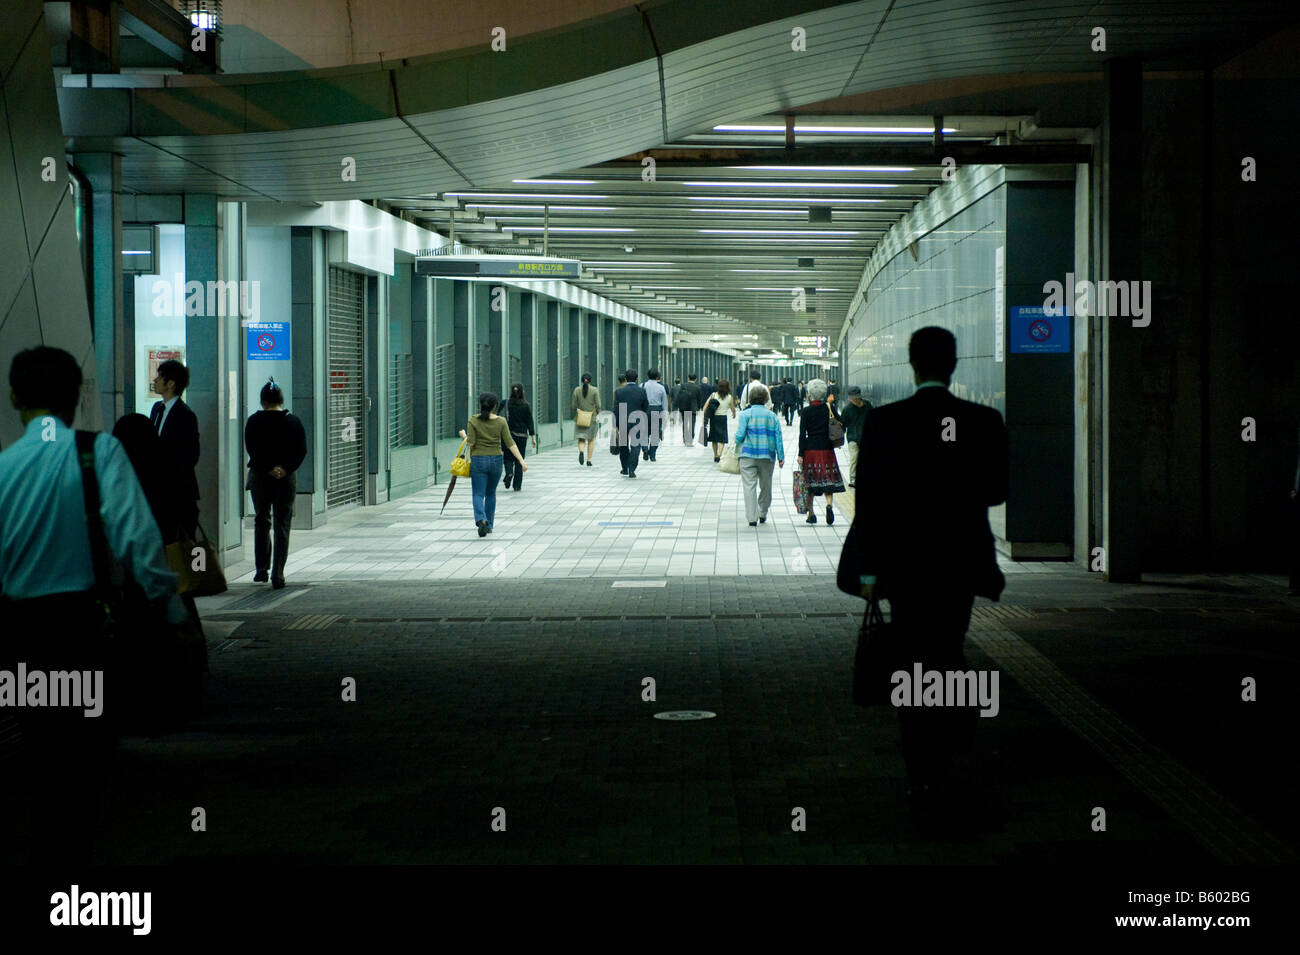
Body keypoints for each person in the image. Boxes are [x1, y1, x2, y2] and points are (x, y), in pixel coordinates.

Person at [0, 346, 189, 864]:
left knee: (38, 753)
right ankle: (75, 865)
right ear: (77, 395)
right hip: (82, 632)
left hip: (20, 637)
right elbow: (139, 543)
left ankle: (46, 852)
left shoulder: (2, 469)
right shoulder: (97, 453)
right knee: (86, 759)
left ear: (15, 396)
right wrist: (171, 613)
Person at [839, 326, 1009, 806]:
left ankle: (921, 761)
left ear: (912, 366)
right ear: (953, 365)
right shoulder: (983, 420)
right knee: (949, 644)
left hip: (902, 565)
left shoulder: (886, 423)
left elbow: (868, 503)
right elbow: (997, 491)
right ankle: (952, 735)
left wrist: (868, 573)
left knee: (912, 650)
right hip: (958, 564)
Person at [245, 380, 308, 588]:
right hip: (285, 479)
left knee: (262, 520)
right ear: (282, 400)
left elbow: (252, 449)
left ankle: (261, 569)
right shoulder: (294, 421)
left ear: (263, 401)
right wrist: (285, 469)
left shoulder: (254, 421)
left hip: (260, 477)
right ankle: (278, 574)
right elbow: (301, 451)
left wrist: (268, 467)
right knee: (282, 523)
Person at [459, 393, 527, 536]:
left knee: (478, 494)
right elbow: (510, 443)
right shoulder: (501, 421)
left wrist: (464, 436)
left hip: (478, 460)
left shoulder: (473, 421)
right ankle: (489, 525)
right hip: (496, 460)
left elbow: (470, 443)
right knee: (490, 493)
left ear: (480, 404)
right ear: (495, 406)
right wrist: (521, 461)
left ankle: (481, 520)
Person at [149, 359, 200, 542]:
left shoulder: (185, 415)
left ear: (171, 383)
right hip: (159, 492)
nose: (155, 380)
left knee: (184, 543)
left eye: (159, 377)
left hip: (179, 492)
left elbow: (191, 455)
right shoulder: (157, 409)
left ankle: (196, 570)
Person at [733, 383, 785, 526]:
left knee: (749, 486)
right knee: (766, 485)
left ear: (750, 399)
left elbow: (740, 435)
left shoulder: (745, 414)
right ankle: (763, 512)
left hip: (747, 455)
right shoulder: (772, 416)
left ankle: (751, 518)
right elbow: (778, 437)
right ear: (765, 399)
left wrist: (735, 444)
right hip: (767, 456)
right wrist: (781, 457)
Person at [797, 378, 845, 524]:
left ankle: (811, 514)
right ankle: (829, 505)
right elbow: (841, 421)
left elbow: (802, 434)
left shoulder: (805, 411)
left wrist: (800, 454)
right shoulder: (828, 408)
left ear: (810, 394)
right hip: (827, 448)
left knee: (810, 481)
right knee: (828, 478)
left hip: (810, 449)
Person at [613, 368, 649, 478]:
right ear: (636, 379)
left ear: (625, 378)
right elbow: (645, 407)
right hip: (637, 421)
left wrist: (615, 425)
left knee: (623, 445)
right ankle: (632, 469)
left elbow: (616, 409)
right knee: (635, 445)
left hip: (623, 421)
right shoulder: (641, 391)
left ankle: (625, 468)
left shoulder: (619, 392)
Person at [501, 383, 537, 490]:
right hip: (521, 436)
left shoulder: (505, 403)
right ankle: (517, 486)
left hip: (507, 436)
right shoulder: (526, 405)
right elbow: (530, 421)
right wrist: (533, 437)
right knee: (519, 460)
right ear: (522, 392)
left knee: (507, 458)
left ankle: (509, 473)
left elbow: (498, 417)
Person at [838, 385, 872, 488]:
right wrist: (839, 440)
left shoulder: (867, 405)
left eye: (853, 398)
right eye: (850, 398)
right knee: (854, 458)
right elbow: (842, 424)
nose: (851, 400)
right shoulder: (847, 409)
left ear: (858, 397)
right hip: (853, 437)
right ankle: (853, 479)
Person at [571, 373, 601, 467]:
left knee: (581, 438)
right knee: (591, 439)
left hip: (580, 418)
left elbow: (573, 406)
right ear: (590, 380)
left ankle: (581, 451)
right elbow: (598, 405)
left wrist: (577, 410)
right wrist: (598, 414)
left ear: (581, 380)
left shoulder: (576, 390)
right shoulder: (595, 390)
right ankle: (588, 460)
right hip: (592, 418)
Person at [707, 379, 737, 463]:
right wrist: (734, 413)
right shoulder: (729, 397)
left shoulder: (713, 395)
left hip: (714, 418)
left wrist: (704, 416)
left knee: (714, 438)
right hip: (723, 418)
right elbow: (732, 408)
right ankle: (719, 454)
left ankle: (715, 455)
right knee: (721, 438)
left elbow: (706, 405)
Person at [642, 368, 669, 462]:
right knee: (655, 434)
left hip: (644, 410)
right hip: (657, 410)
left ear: (648, 375)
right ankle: (652, 454)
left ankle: (645, 449)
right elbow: (664, 403)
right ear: (657, 376)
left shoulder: (642, 385)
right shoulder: (661, 388)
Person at [679, 373, 702, 446]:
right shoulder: (697, 388)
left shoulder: (683, 386)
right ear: (696, 379)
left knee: (685, 424)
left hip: (684, 408)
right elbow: (699, 399)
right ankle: (690, 440)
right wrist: (698, 408)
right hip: (693, 408)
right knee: (692, 424)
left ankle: (685, 440)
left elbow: (680, 396)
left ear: (688, 378)